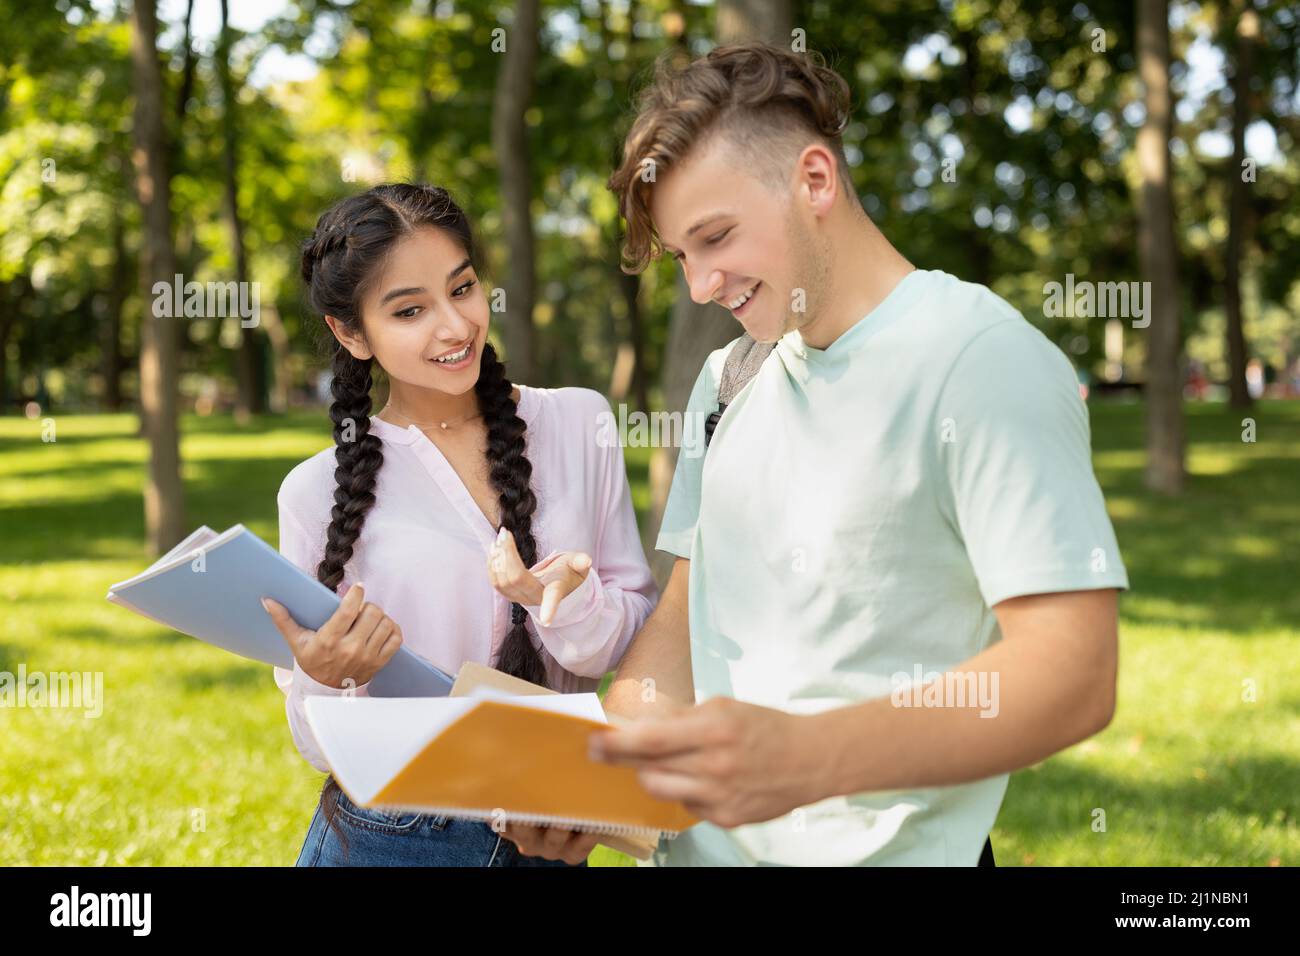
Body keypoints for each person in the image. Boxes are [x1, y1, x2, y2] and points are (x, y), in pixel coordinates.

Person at [506, 42, 1130, 867]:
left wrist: (805, 759)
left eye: (716, 237)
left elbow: (1074, 675)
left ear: (814, 180)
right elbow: (690, 615)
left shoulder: (980, 361)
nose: (699, 284)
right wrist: (604, 775)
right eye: (682, 256)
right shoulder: (729, 377)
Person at [264, 182, 657, 867]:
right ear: (351, 332)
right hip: (388, 836)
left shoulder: (579, 422)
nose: (455, 325)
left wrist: (564, 604)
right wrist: (324, 678)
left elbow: (629, 643)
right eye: (411, 310)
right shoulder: (313, 493)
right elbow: (319, 745)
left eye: (463, 288)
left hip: (551, 828)